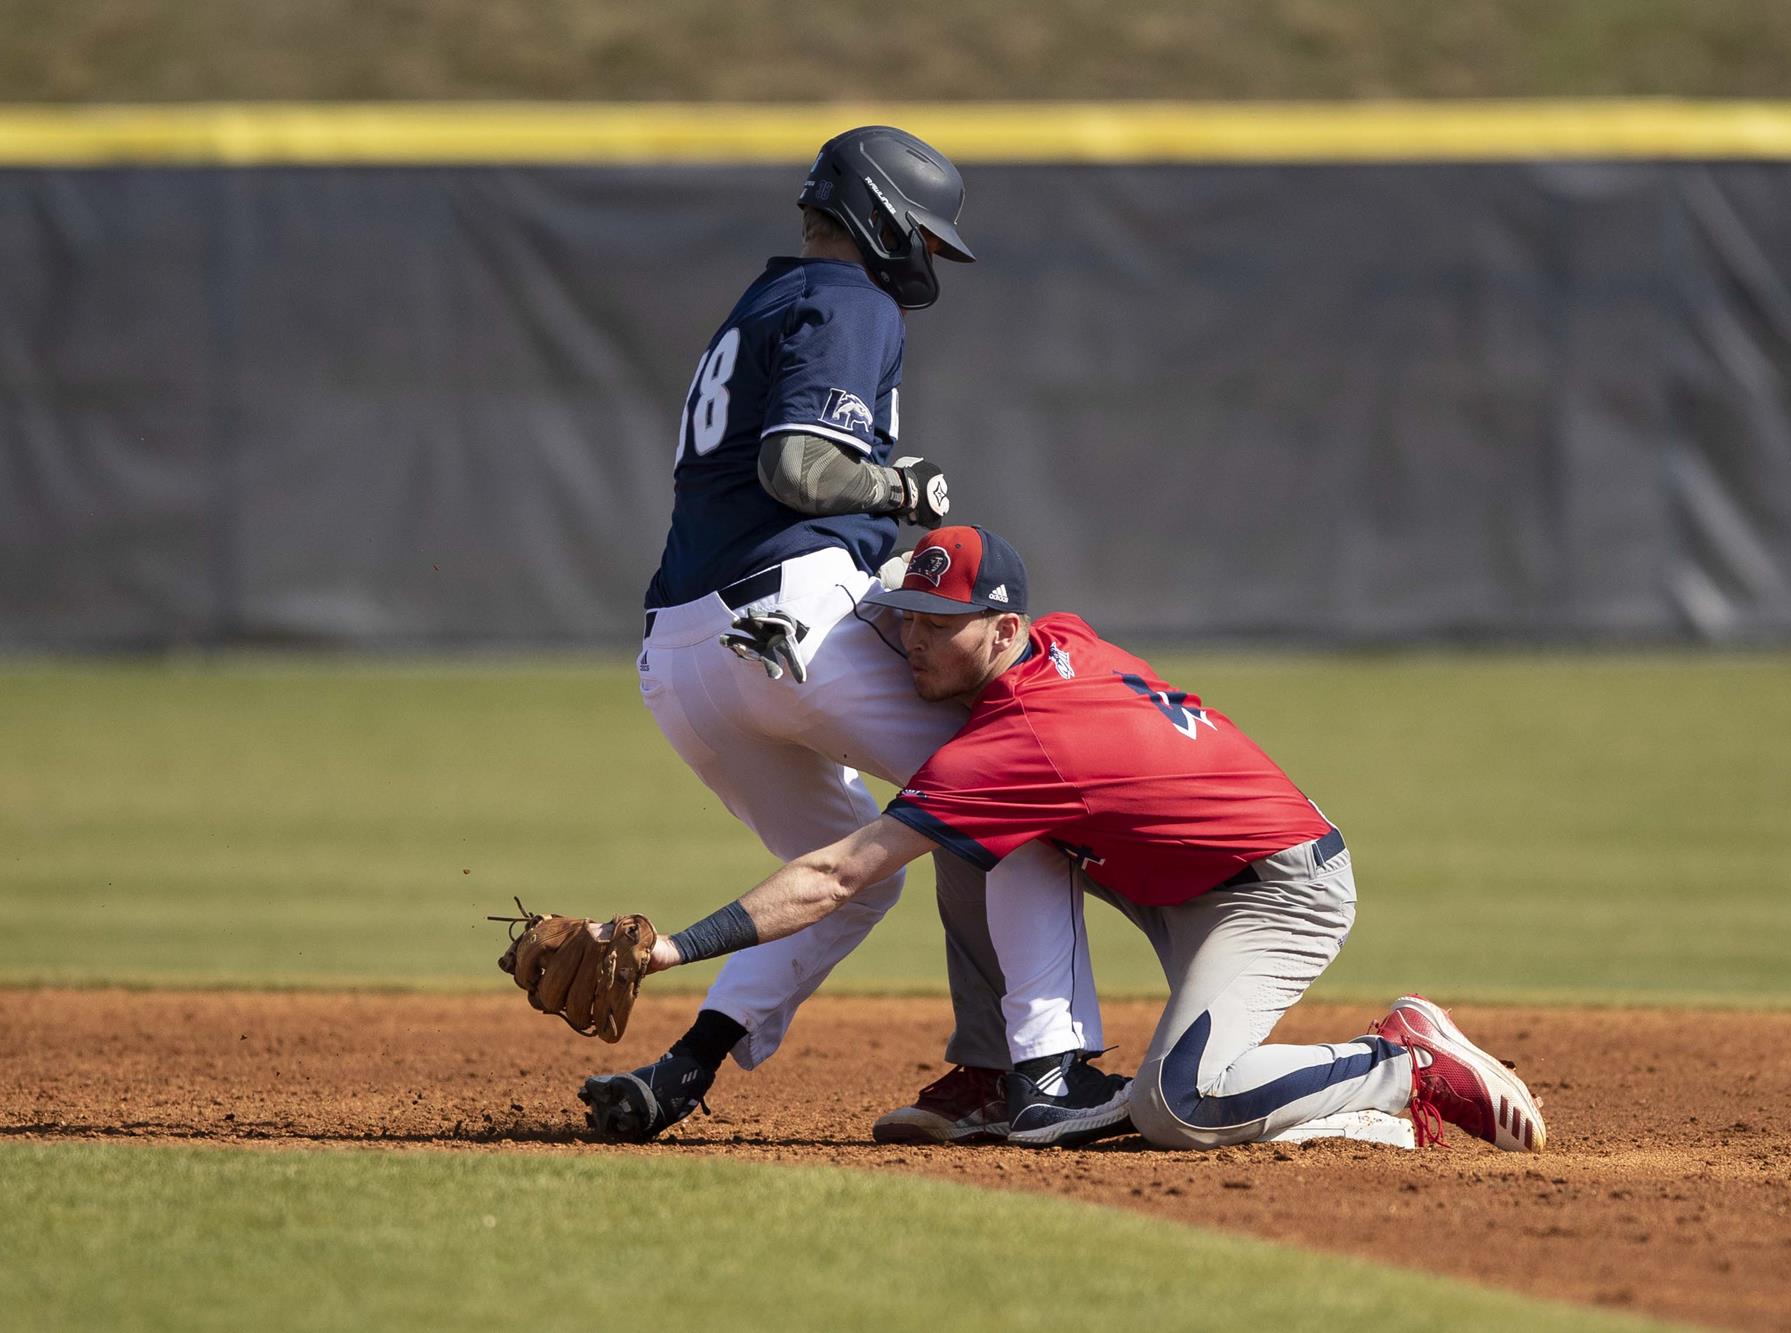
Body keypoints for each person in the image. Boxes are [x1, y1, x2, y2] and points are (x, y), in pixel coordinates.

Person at [588, 525, 1549, 1152]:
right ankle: (998, 1075)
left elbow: (839, 873)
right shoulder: (1057, 640)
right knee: (973, 835)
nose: (912, 639)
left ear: (1002, 627)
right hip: (1183, 872)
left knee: (1177, 1102)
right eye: (905, 618)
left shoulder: (1020, 743)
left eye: (938, 623)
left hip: (1275, 891)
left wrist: (668, 948)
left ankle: (1402, 1060)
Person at [590, 127, 1122, 1150]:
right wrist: (896, 486)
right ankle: (1042, 1070)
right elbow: (797, 466)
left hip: (682, 662)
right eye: (921, 233)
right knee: (1011, 790)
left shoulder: (764, 300)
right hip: (789, 618)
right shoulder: (849, 299)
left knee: (847, 875)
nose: (925, 257)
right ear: (878, 218)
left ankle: (678, 1072)